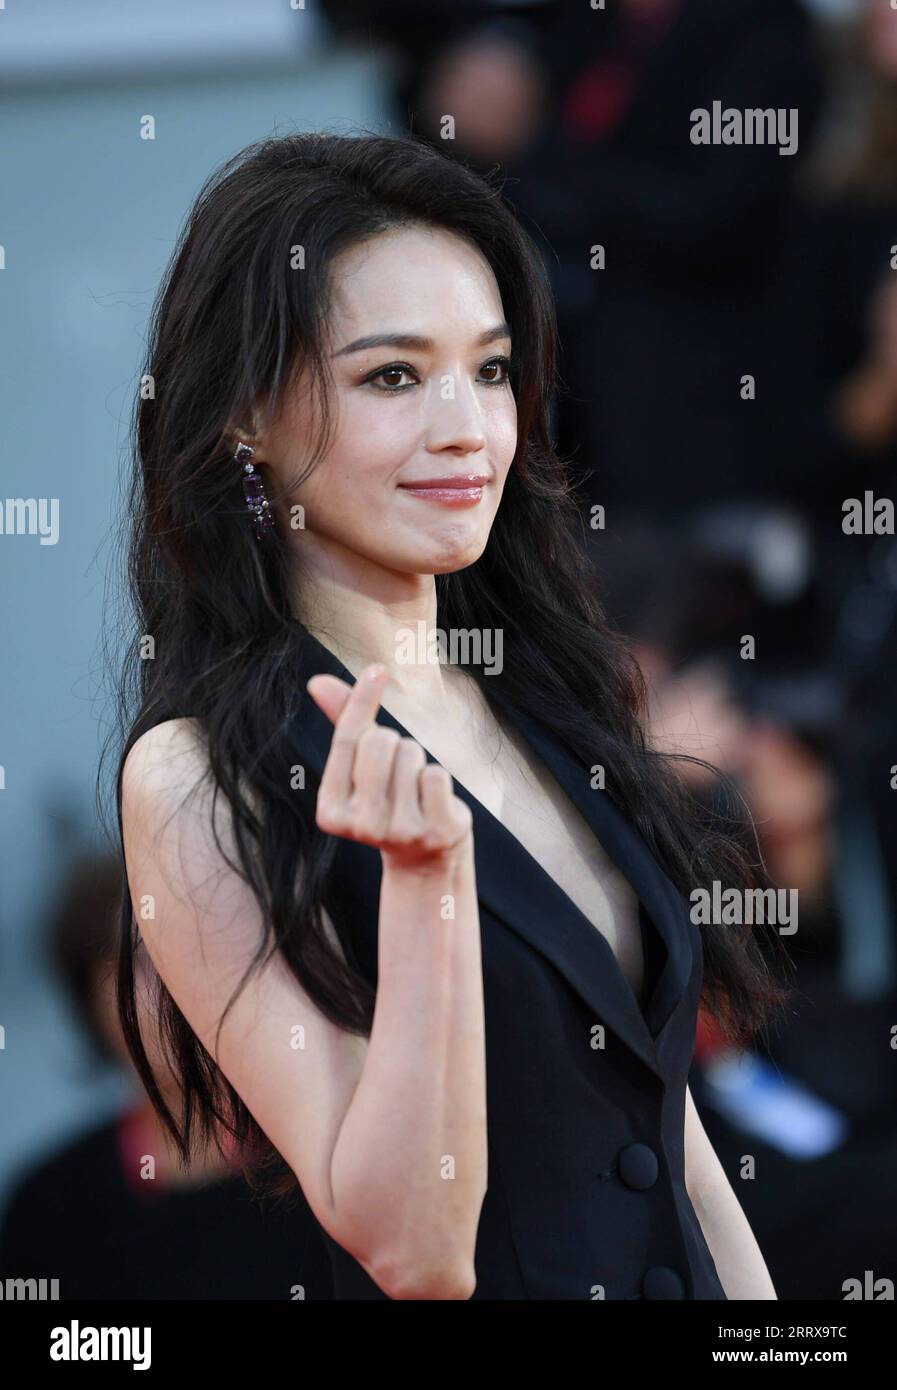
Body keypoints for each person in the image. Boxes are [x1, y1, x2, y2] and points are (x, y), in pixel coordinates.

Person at [113, 130, 785, 1300]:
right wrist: (425, 892)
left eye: (487, 368)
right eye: (391, 376)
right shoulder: (196, 774)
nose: (468, 426)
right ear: (244, 424)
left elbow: (669, 1141)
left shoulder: (543, 690)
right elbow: (412, 1247)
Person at [0, 852, 334, 1300]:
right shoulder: (49, 1209)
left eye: (193, 949)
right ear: (89, 1001)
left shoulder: (318, 1170)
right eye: (139, 961)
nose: (174, 981)